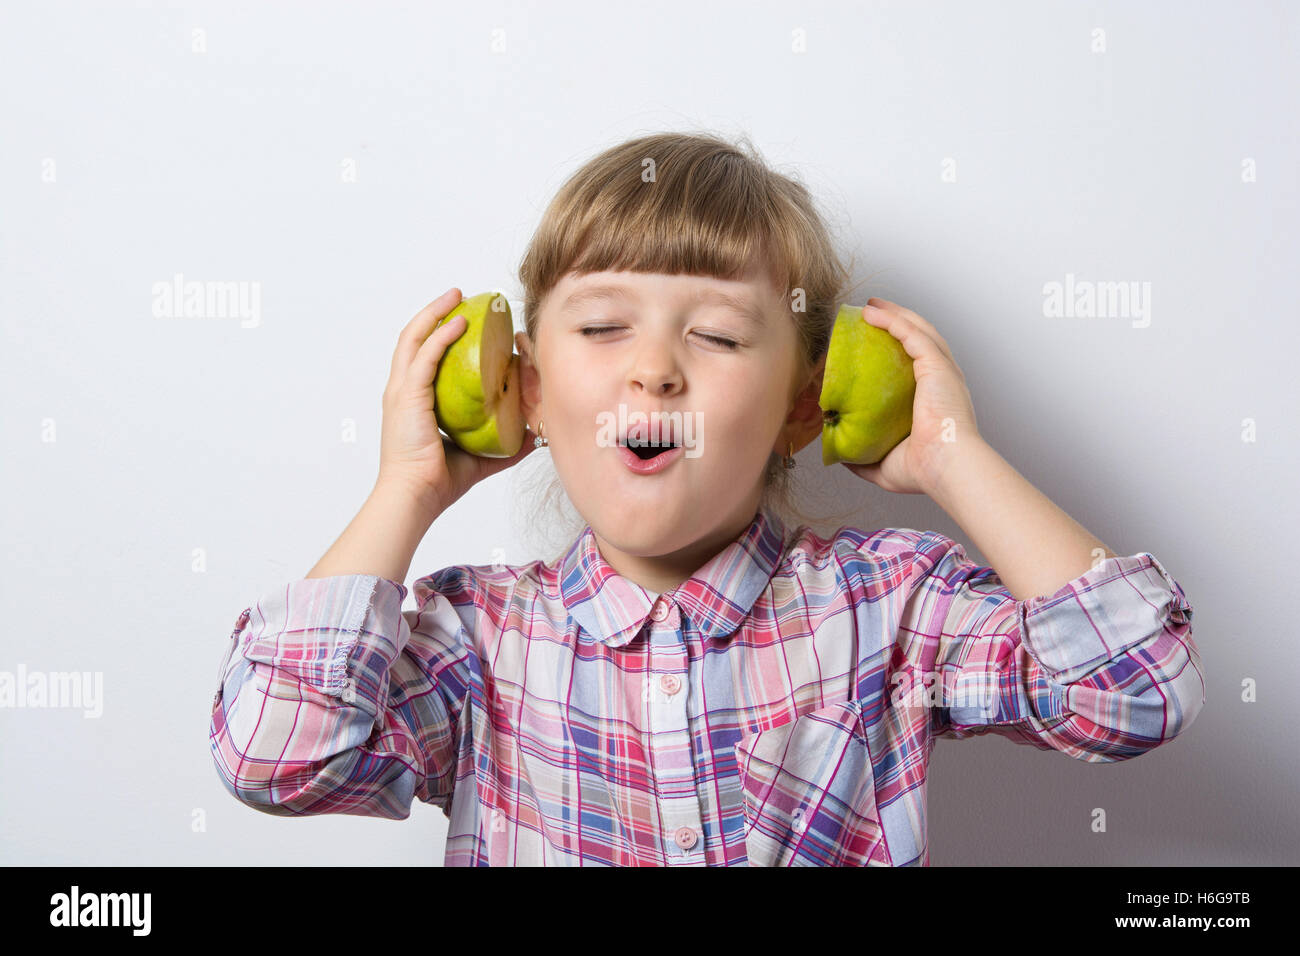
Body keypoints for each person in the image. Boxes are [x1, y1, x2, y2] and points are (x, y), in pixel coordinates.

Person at [208, 131, 1205, 865]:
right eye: (601, 326)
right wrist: (407, 488)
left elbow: (1138, 688)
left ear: (803, 402)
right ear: (529, 390)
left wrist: (953, 456)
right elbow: (275, 755)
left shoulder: (888, 607)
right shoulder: (475, 640)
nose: (653, 370)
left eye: (719, 336)